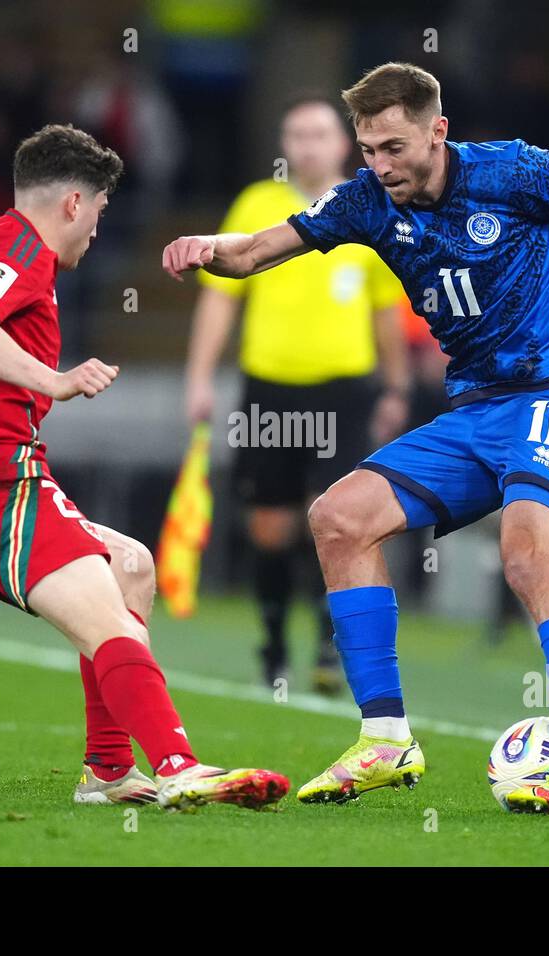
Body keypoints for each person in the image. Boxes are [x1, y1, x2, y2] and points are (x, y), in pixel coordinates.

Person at [162, 63, 549, 817]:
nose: (380, 165)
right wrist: (204, 246)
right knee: (339, 518)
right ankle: (385, 738)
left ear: (438, 130)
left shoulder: (519, 171)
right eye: (369, 148)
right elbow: (252, 253)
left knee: (530, 557)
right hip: (475, 411)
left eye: (394, 147)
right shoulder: (365, 203)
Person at [0, 124, 287, 811]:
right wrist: (50, 381)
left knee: (132, 566)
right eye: (102, 213)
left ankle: (110, 770)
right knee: (110, 623)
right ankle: (179, 765)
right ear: (75, 204)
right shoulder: (22, 244)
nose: (98, 232)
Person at [184, 95, 410, 692]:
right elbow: (219, 298)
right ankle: (274, 643)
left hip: (345, 392)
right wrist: (200, 378)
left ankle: (330, 650)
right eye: (295, 134)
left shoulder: (367, 208)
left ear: (342, 145)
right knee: (270, 528)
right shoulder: (259, 204)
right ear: (285, 146)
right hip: (270, 391)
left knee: (335, 520)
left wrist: (395, 388)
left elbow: (386, 311)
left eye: (318, 134)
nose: (306, 145)